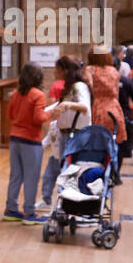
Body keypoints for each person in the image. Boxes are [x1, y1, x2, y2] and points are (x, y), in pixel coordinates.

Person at [40, 55, 91, 209]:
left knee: (67, 172)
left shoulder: (79, 87)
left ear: (65, 70)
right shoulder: (70, 88)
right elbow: (59, 105)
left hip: (75, 135)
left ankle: (66, 206)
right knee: (58, 168)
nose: (55, 72)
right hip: (66, 135)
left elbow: (84, 107)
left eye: (57, 69)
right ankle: (55, 202)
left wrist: (67, 105)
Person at [4, 62, 50, 224]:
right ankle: (29, 213)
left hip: (15, 139)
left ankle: (11, 209)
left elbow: (10, 116)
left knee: (16, 176)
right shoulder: (38, 95)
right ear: (38, 77)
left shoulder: (16, 93)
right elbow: (38, 118)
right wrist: (50, 114)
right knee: (31, 177)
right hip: (30, 140)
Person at [85, 44, 127, 174]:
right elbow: (117, 93)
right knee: (114, 142)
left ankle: (97, 171)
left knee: (96, 142)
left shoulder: (90, 69)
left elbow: (90, 88)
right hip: (114, 108)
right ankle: (114, 173)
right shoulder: (114, 71)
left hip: (97, 107)